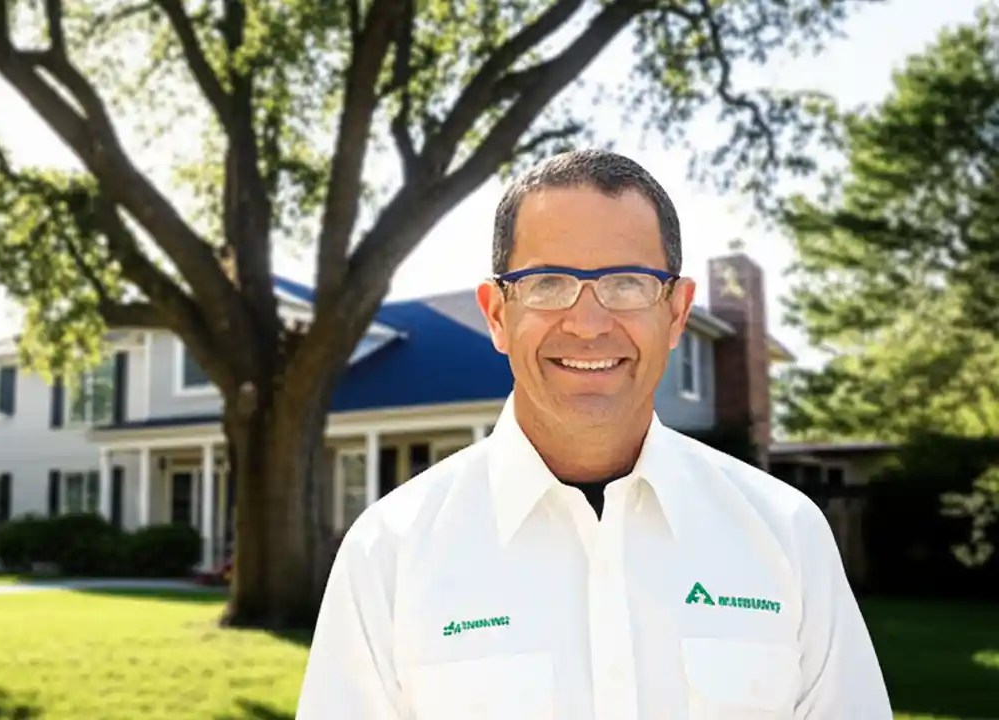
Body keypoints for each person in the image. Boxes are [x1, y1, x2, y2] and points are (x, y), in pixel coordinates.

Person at [295, 149, 892, 719]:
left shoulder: (786, 536)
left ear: (677, 312)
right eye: (548, 284)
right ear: (498, 315)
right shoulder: (390, 554)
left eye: (627, 283)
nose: (587, 324)